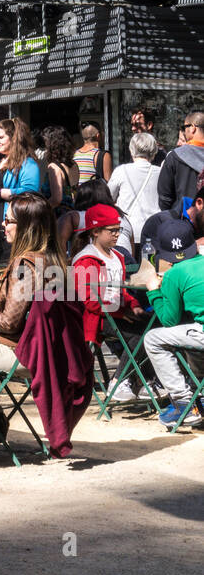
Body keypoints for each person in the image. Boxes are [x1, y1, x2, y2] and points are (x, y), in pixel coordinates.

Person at [0, 192, 67, 449]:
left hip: (21, 353)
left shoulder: (24, 265)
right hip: (50, 355)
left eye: (8, 221)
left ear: (27, 227)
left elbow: (10, 323)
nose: (2, 225)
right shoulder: (56, 260)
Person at [133, 217, 204, 427]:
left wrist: (154, 291)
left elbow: (169, 320)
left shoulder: (174, 274)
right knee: (189, 334)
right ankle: (199, 395)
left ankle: (183, 403)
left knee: (153, 339)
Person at [71, 204, 147, 348]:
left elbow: (121, 292)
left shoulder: (118, 256)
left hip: (116, 311)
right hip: (97, 317)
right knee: (143, 338)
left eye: (119, 230)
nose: (117, 234)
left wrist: (134, 305)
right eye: (112, 231)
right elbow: (88, 300)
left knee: (152, 329)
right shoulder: (86, 259)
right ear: (95, 231)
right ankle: (128, 372)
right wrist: (120, 311)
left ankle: (140, 371)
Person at [0, 118, 41, 227]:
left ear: (13, 138)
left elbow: (30, 192)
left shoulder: (27, 163)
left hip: (11, 226)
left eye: (0, 138)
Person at [107, 134, 161, 257]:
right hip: (153, 232)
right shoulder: (161, 172)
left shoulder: (121, 170)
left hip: (126, 233)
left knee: (128, 272)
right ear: (154, 151)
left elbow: (108, 197)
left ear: (132, 150)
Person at [157, 111, 204, 213]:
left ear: (192, 128)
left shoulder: (175, 157)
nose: (184, 131)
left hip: (183, 221)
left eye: (184, 127)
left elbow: (164, 198)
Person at [40, 126, 79, 217]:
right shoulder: (74, 164)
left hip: (56, 215)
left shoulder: (54, 167)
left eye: (46, 145)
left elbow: (56, 199)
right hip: (72, 211)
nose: (45, 149)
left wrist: (39, 211)